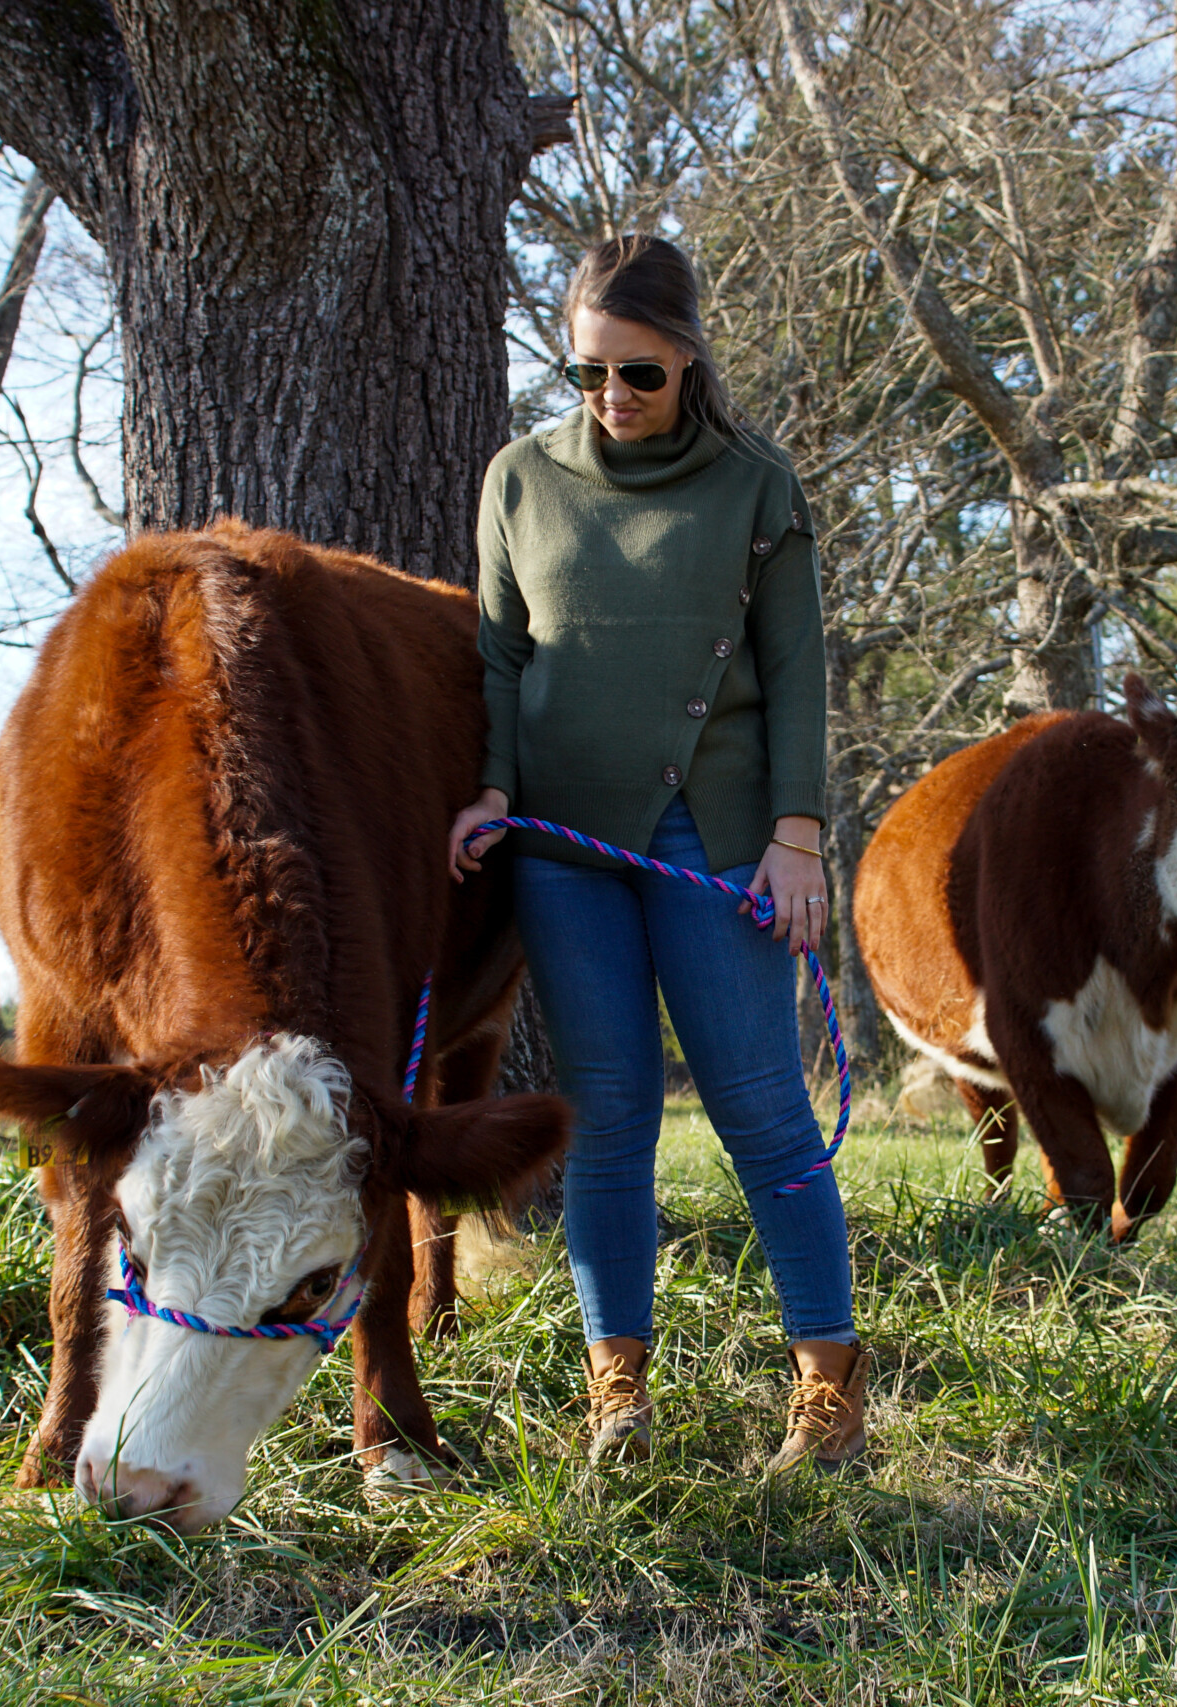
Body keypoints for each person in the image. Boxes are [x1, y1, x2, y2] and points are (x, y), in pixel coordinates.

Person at [447, 236, 866, 1471]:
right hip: (566, 843)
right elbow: (499, 658)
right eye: (585, 377)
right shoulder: (520, 480)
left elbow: (796, 672)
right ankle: (617, 1399)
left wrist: (797, 838)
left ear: (686, 355)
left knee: (760, 1113)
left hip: (717, 837)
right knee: (610, 1119)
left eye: (637, 374)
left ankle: (829, 1398)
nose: (612, 400)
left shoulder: (755, 485)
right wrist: (491, 791)